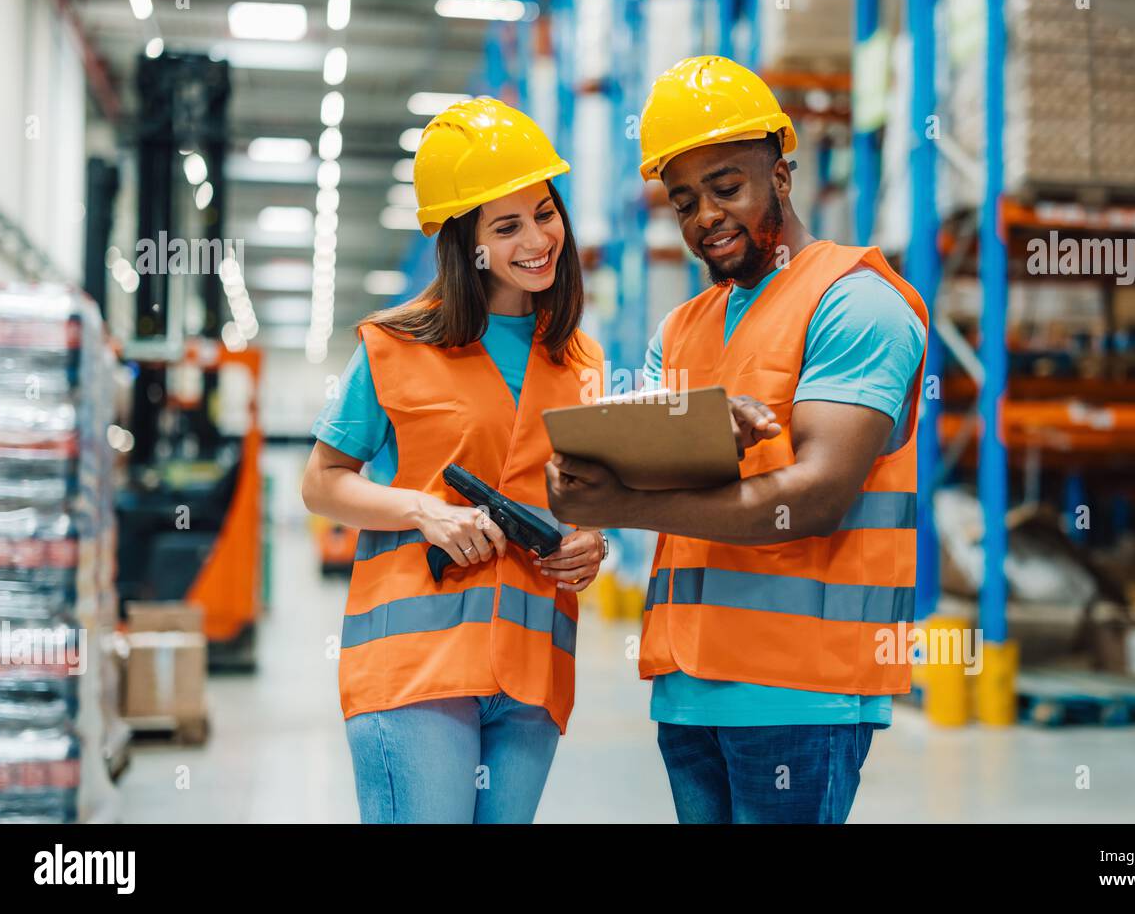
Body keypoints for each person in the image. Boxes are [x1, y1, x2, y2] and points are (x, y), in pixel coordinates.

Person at [546, 56, 928, 824]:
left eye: (727, 187)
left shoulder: (854, 301)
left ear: (781, 173)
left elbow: (815, 497)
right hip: (687, 688)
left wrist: (623, 496)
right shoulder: (681, 328)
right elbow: (606, 478)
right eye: (684, 201)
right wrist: (589, 488)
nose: (705, 217)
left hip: (800, 689)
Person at [302, 98, 605, 824]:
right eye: (506, 226)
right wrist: (422, 509)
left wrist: (593, 544)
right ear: (464, 243)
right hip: (417, 664)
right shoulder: (396, 343)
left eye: (544, 212)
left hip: (532, 667)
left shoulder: (581, 358)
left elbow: (586, 501)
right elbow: (321, 482)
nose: (537, 239)